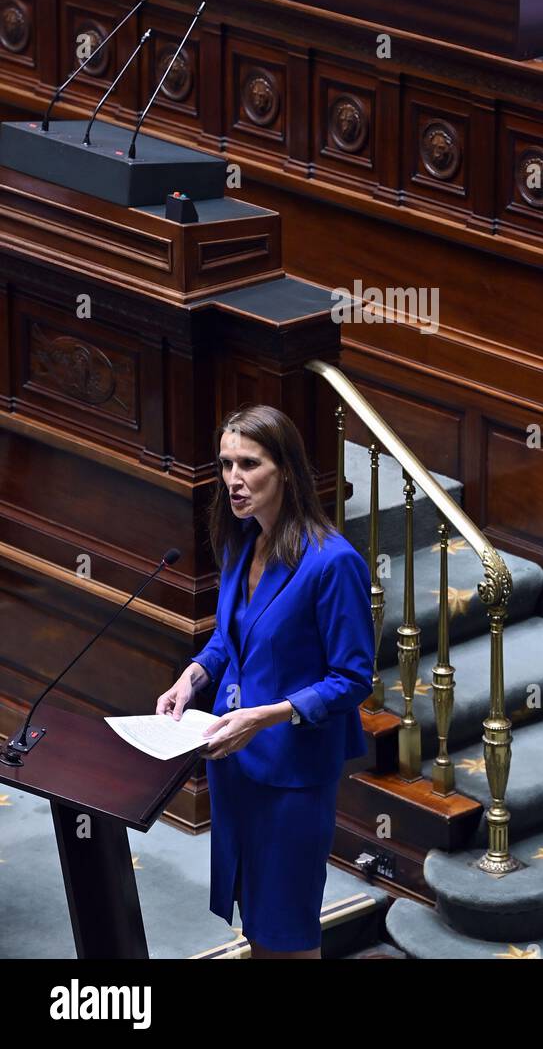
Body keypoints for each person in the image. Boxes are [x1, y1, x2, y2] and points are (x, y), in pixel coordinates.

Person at [156, 406, 375, 960]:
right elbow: (233, 639)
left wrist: (267, 714)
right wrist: (194, 674)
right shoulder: (241, 542)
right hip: (235, 761)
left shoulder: (332, 563)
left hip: (292, 773)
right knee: (256, 919)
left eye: (250, 464)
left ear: (287, 472)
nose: (234, 478)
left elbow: (352, 678)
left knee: (289, 925)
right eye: (226, 463)